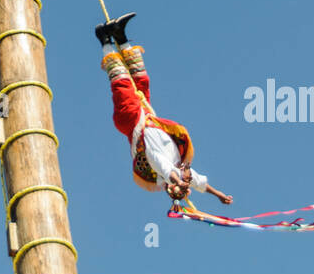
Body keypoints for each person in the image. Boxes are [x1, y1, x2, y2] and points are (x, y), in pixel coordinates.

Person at [97, 12, 234, 205]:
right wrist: (219, 195)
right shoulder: (181, 165)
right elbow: (201, 183)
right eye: (187, 183)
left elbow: (168, 172)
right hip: (146, 116)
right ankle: (120, 37)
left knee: (123, 83)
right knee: (141, 82)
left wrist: (177, 182)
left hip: (131, 121)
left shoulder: (163, 168)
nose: (187, 181)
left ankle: (104, 40)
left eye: (182, 184)